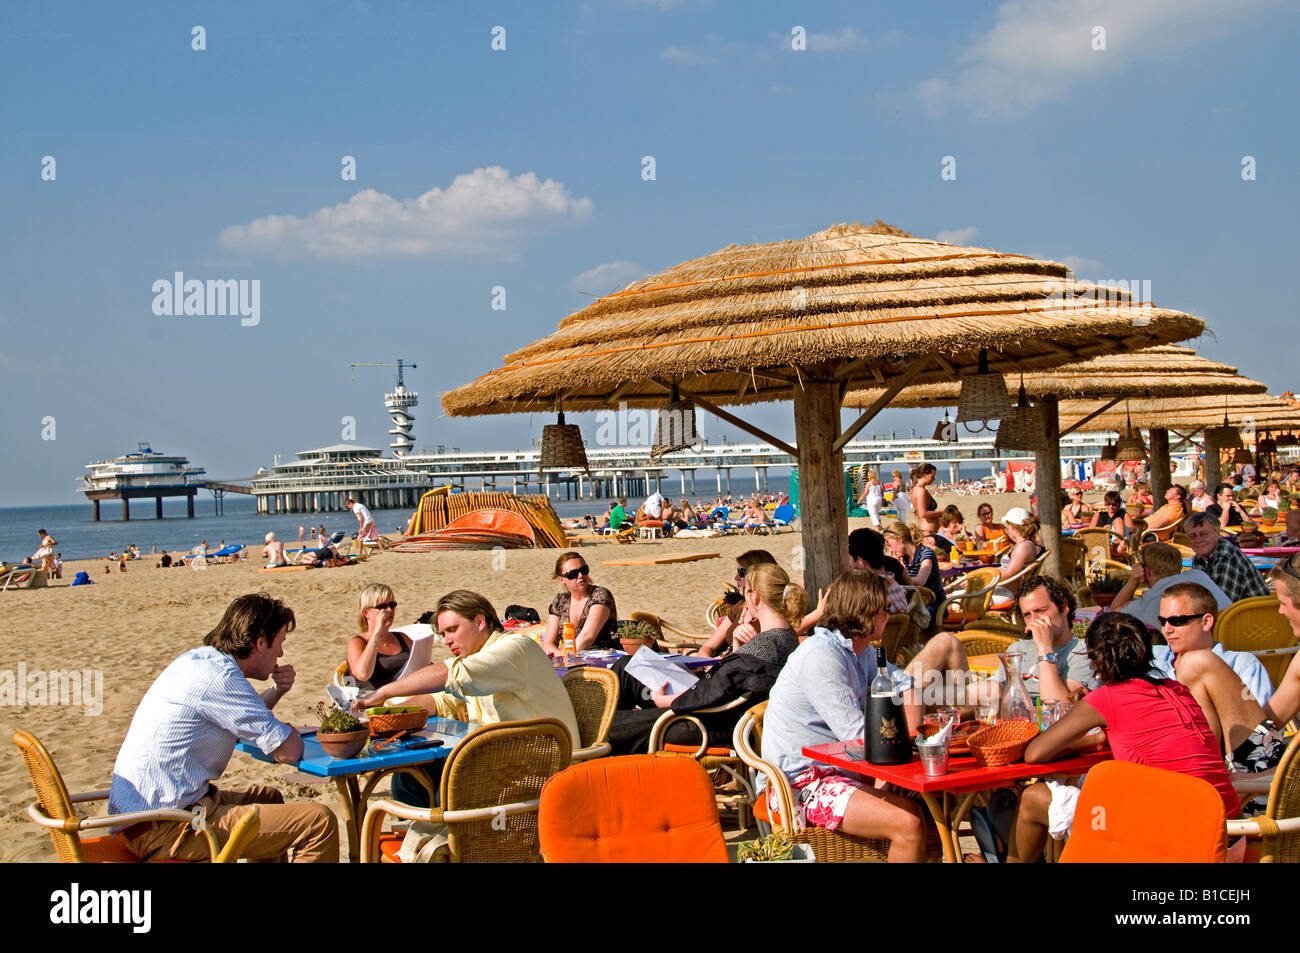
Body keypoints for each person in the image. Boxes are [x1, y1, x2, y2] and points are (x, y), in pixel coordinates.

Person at [108, 593, 338, 862]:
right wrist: (288, 733)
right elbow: (289, 752)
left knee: (269, 798)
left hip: (151, 817)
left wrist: (276, 692)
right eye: (280, 642)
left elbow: (240, 716)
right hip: (172, 828)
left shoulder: (199, 662)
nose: (281, 653)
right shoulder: (221, 679)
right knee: (319, 822)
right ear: (260, 641)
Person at [1005, 613, 1240, 862]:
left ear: (1095, 660)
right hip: (1230, 835)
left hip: (1178, 843)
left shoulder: (1106, 699)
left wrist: (1093, 737)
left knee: (1032, 799)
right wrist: (1099, 738)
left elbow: (1035, 753)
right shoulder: (1176, 690)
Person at [354, 590, 579, 806]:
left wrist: (383, 692)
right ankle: (424, 837)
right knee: (409, 776)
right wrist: (386, 716)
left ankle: (436, 839)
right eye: (443, 634)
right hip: (507, 762)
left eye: (452, 629)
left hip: (541, 771)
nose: (446, 640)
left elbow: (450, 674)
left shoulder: (513, 648)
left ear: (480, 621)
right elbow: (440, 700)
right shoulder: (479, 658)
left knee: (443, 782)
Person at [761, 570, 928, 861]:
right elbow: (858, 736)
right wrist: (902, 755)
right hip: (801, 785)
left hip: (844, 771)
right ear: (864, 612)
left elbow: (908, 687)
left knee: (937, 800)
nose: (889, 615)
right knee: (908, 822)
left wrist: (910, 741)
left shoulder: (858, 651)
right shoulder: (822, 657)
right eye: (884, 609)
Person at [605, 562, 807, 755]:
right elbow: (735, 684)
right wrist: (736, 644)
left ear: (754, 599)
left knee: (607, 727)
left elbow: (714, 694)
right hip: (714, 707)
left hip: (705, 723)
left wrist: (664, 700)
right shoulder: (786, 638)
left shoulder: (761, 648)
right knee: (627, 666)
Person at [1009, 576, 1097, 704]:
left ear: (1063, 607)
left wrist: (1045, 650)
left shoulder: (1084, 652)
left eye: (1040, 611)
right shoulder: (1017, 650)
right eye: (1027, 615)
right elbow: (995, 693)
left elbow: (1059, 707)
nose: (1034, 620)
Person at [1109, 542, 1230, 629]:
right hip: (1236, 638)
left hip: (1202, 651)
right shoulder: (1198, 574)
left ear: (1146, 571)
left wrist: (1133, 579)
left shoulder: (1152, 601)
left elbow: (1115, 609)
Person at [699, 549, 779, 657]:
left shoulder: (771, 616)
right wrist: (708, 665)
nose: (736, 578)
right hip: (718, 666)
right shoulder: (741, 606)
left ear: (758, 575)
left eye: (741, 573)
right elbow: (708, 647)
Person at [541, 552, 619, 653]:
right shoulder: (559, 602)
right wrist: (559, 655)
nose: (581, 575)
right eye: (573, 574)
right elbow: (549, 643)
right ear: (561, 579)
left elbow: (587, 637)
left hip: (601, 659)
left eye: (584, 570)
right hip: (568, 659)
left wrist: (565, 657)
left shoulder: (600, 596)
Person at [1186, 512, 1269, 602]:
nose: (1198, 540)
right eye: (1193, 536)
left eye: (1204, 534)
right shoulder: (1199, 559)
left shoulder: (1227, 556)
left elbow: (1222, 603)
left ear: (1218, 534)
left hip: (1254, 613)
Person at [883, 520, 943, 627]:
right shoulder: (904, 558)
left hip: (935, 605)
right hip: (917, 603)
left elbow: (920, 580)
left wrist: (899, 574)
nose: (890, 549)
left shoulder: (926, 553)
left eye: (889, 544)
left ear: (900, 539)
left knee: (904, 623)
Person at [996, 508, 1044, 584]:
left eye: (1008, 525)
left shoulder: (1022, 547)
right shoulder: (1026, 543)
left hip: (1005, 589)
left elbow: (1008, 574)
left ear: (1011, 527)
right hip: (1002, 584)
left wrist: (985, 581)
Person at [909, 463, 941, 535]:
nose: (934, 479)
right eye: (932, 476)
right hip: (928, 530)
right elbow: (923, 513)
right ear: (924, 475)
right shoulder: (921, 491)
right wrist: (942, 512)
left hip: (924, 528)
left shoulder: (915, 489)